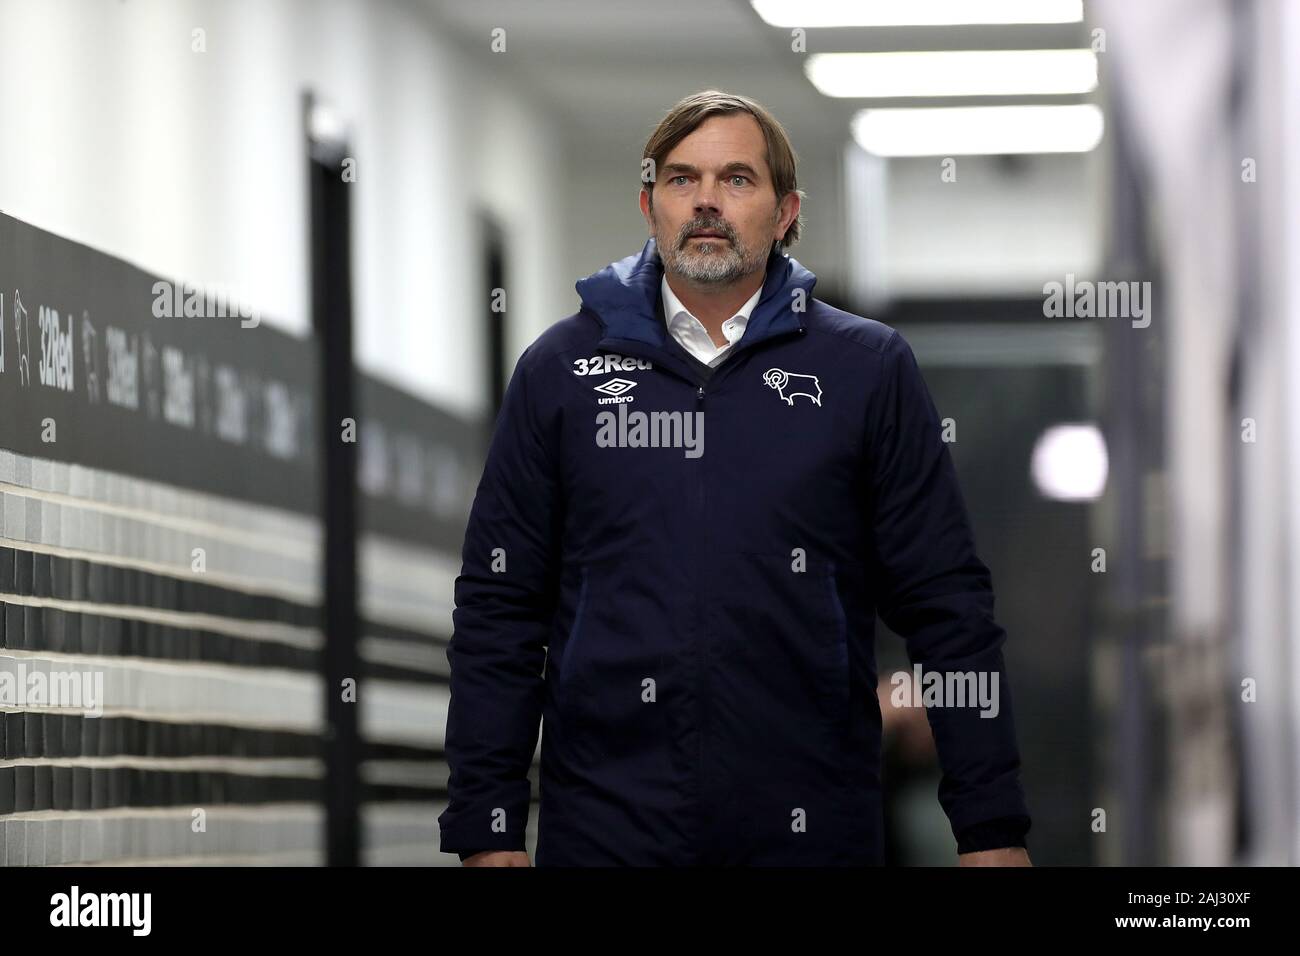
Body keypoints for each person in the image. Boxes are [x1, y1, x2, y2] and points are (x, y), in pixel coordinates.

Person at [438, 90, 1032, 867]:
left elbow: (947, 606)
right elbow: (499, 612)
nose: (708, 202)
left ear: (786, 211)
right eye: (683, 180)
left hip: (810, 827)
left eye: (737, 180)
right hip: (607, 830)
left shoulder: (865, 370)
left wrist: (991, 828)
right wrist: (487, 824)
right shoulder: (560, 373)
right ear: (650, 204)